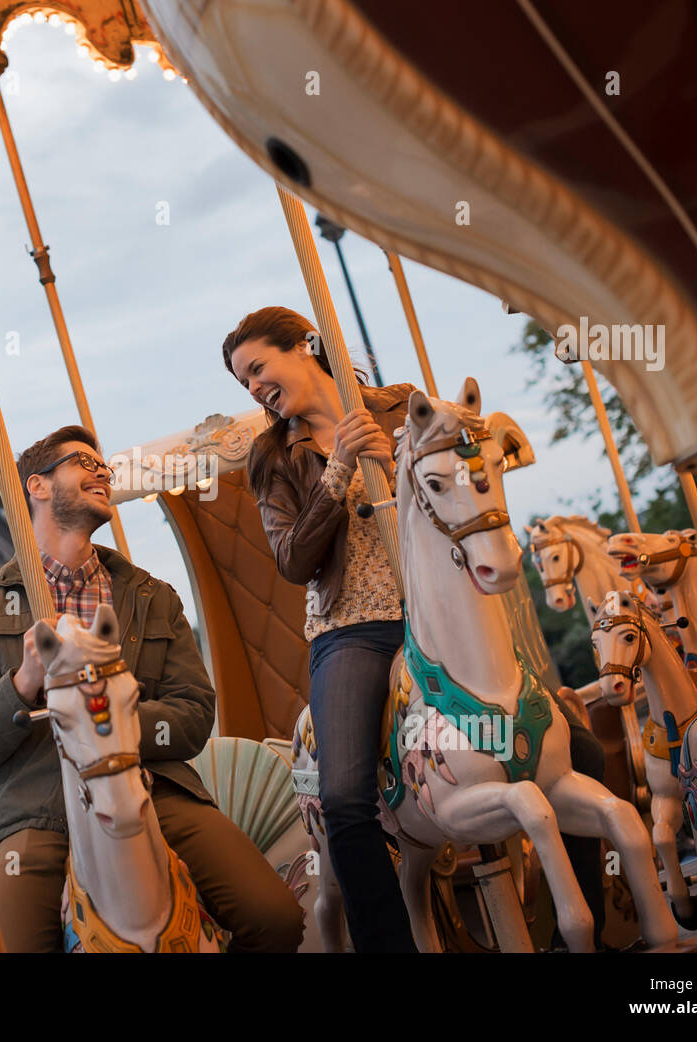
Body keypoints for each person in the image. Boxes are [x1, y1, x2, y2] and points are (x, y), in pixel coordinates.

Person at [222, 306, 607, 951]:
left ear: (306, 347)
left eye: (259, 368)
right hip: (354, 629)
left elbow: (460, 470)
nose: (255, 388)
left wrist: (406, 453)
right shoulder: (274, 457)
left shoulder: (403, 407)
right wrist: (340, 469)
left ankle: (584, 937)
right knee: (344, 798)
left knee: (581, 751)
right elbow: (292, 561)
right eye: (244, 382)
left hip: (438, 619)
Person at [0, 424, 305, 953]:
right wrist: (23, 682)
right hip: (39, 812)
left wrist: (110, 719)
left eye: (104, 467)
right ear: (37, 487)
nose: (102, 473)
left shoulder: (150, 596)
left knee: (273, 918)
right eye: (84, 463)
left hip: (150, 788)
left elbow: (196, 713)